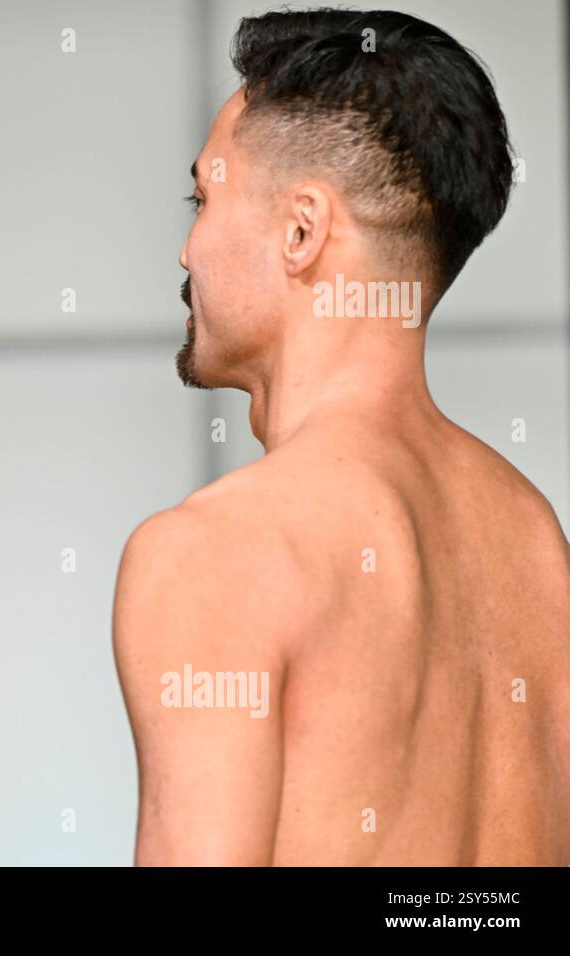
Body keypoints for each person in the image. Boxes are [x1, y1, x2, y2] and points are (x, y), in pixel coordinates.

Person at [113, 8, 570, 865]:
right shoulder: (534, 541)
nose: (186, 250)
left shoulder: (215, 551)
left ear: (301, 231)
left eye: (203, 198)